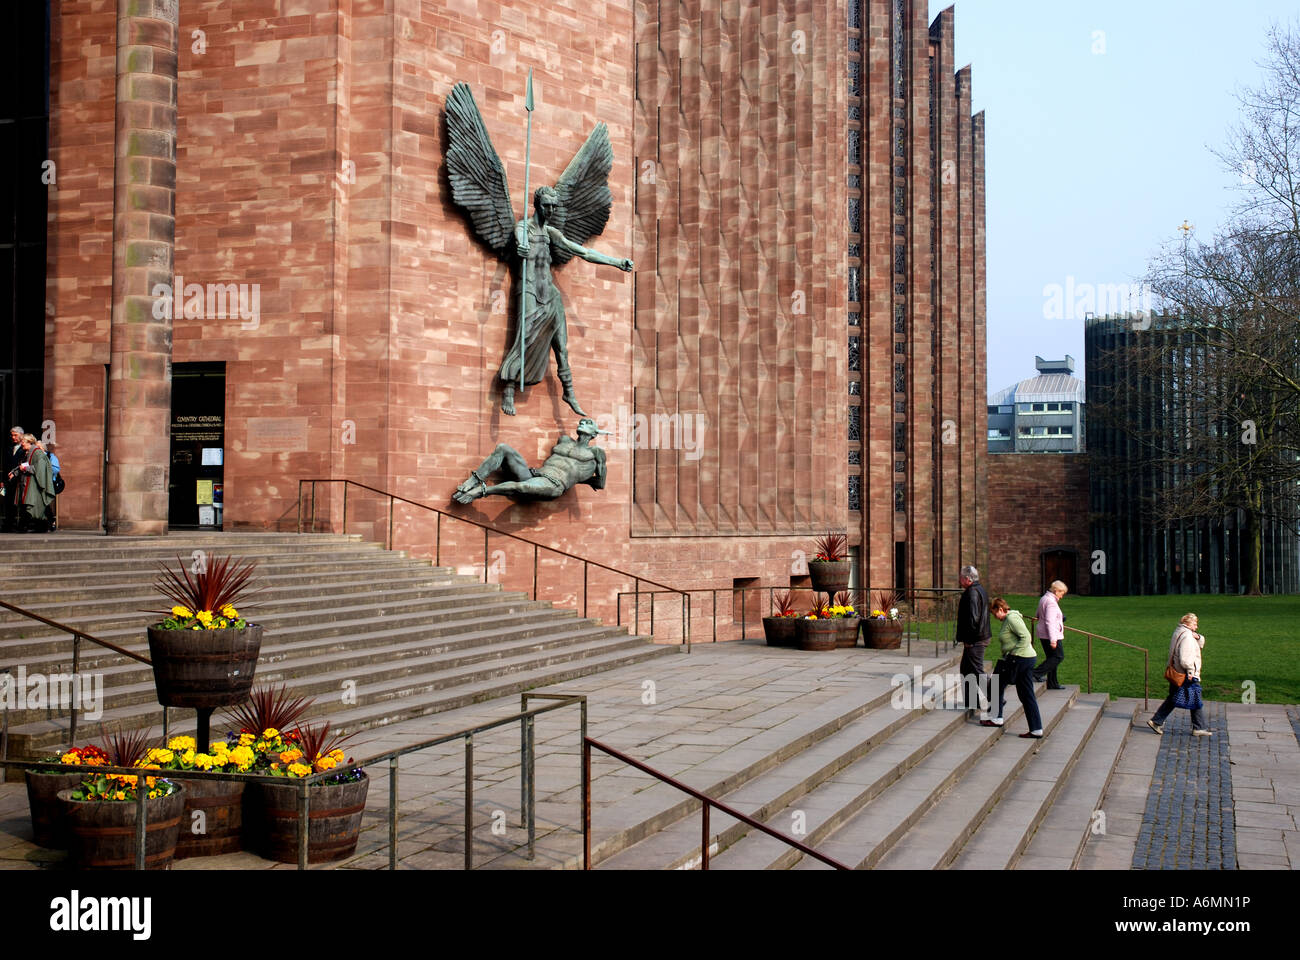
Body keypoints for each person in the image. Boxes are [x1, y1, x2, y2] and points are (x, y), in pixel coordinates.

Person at [497, 186, 633, 417]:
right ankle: (509, 387)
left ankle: (568, 392)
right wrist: (522, 246)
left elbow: (583, 252)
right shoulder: (523, 228)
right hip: (529, 289)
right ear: (536, 205)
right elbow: (520, 239)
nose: (550, 210)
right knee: (525, 336)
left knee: (561, 346)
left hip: (550, 292)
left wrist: (616, 262)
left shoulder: (551, 234)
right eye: (546, 205)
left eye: (553, 206)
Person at [452, 418, 607, 503]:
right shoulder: (564, 441)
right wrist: (539, 472)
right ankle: (475, 479)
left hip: (554, 484)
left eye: (588, 423)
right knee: (503, 448)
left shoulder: (596, 452)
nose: (583, 422)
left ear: (595, 433)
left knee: (521, 486)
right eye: (582, 421)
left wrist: (577, 479)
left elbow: (600, 483)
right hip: (536, 475)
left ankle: (480, 492)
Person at [983, 598, 1045, 738]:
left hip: (1019, 659)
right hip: (1022, 659)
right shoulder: (1009, 619)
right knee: (1023, 693)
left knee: (998, 685)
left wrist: (1013, 653)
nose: (994, 617)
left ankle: (997, 718)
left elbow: (1026, 637)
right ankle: (1035, 728)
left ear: (1000, 609)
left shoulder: (1012, 619)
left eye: (994, 614)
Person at [1147, 613, 1211, 737]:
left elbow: (1199, 642)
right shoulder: (1187, 636)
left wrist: (1198, 637)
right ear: (1187, 623)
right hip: (1186, 674)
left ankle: (1158, 721)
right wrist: (1191, 672)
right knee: (1195, 698)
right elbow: (1185, 659)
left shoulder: (1179, 631)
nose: (1196, 626)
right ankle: (1198, 727)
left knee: (1177, 697)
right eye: (1194, 624)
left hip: (1176, 671)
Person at [955, 565, 992, 718]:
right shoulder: (980, 589)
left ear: (968, 579)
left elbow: (973, 618)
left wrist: (969, 640)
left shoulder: (972, 593)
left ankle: (996, 698)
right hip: (980, 636)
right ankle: (972, 701)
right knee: (966, 669)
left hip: (976, 639)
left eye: (961, 577)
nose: (959, 580)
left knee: (976, 670)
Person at [15, 433, 54, 532]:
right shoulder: (26, 453)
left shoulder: (37, 453)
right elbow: (22, 466)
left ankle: (22, 527)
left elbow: (39, 468)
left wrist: (25, 468)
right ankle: (41, 527)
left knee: (30, 506)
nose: (21, 444)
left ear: (29, 442)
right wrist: (14, 472)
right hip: (26, 483)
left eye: (23, 442)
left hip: (34, 485)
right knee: (33, 507)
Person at [1034, 580, 1068, 690]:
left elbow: (1038, 615)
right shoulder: (1051, 602)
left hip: (1044, 634)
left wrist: (1060, 618)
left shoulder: (1044, 598)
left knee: (1052, 658)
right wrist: (1053, 640)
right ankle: (1034, 673)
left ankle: (1053, 683)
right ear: (1056, 591)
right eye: (1062, 593)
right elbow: (1049, 621)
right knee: (1058, 657)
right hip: (1051, 635)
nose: (1062, 596)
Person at [1, 425, 22, 532]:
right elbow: (4, 466)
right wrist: (2, 481)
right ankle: (8, 524)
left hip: (19, 480)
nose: (13, 437)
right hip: (8, 481)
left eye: (15, 435)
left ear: (21, 435)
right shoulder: (9, 448)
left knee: (18, 503)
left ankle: (18, 524)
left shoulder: (24, 448)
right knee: (8, 502)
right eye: (12, 435)